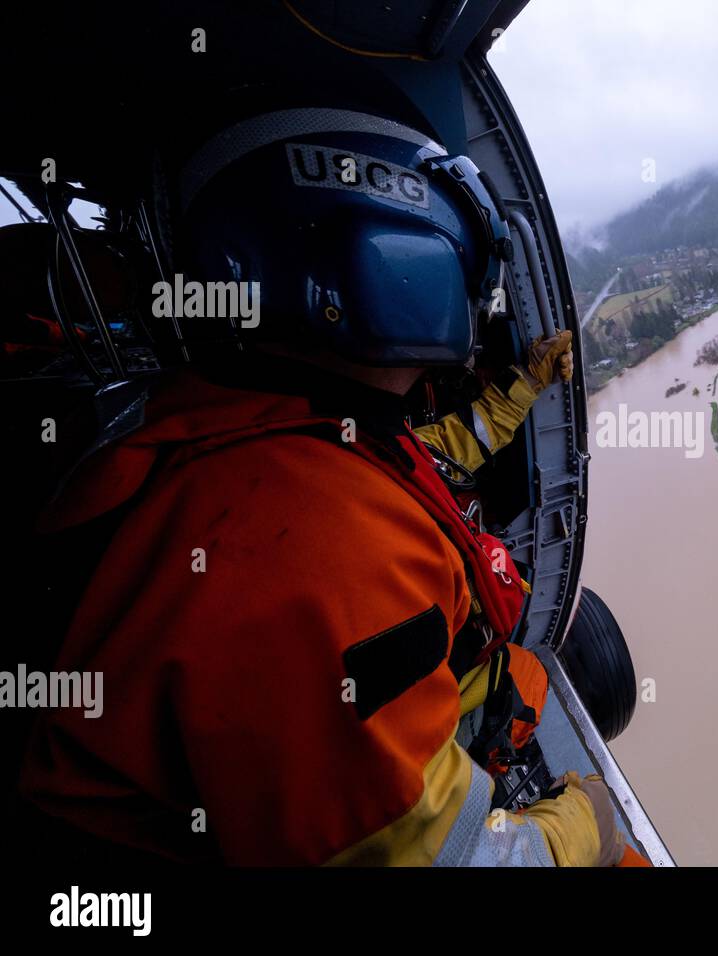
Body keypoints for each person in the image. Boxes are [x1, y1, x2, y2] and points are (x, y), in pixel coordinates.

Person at [17, 107, 623, 866]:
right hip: (365, 800)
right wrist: (587, 830)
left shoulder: (269, 430)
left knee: (526, 678)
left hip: (371, 739)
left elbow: (439, 453)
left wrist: (525, 385)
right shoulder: (317, 546)